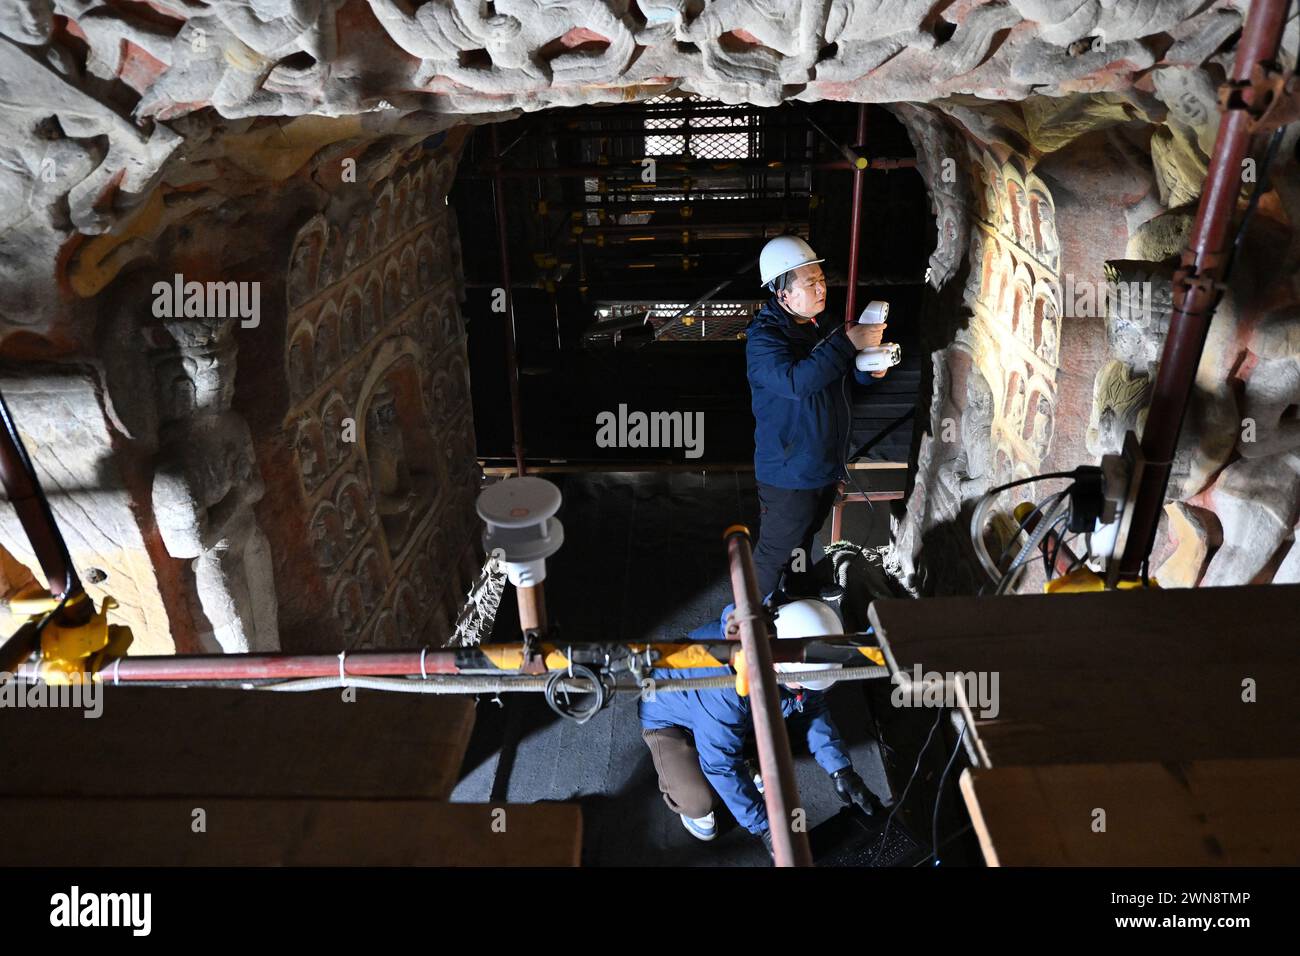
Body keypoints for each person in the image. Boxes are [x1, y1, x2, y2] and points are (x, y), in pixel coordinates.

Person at [637, 598, 883, 852]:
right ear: (775, 663)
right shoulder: (726, 687)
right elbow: (720, 764)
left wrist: (840, 770)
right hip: (671, 722)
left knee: (781, 723)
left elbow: (810, 706)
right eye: (801, 681)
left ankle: (744, 755)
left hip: (733, 708)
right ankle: (688, 788)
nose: (804, 687)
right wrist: (765, 826)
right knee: (699, 801)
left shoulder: (791, 642)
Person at [746, 235, 891, 600]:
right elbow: (797, 382)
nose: (821, 287)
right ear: (782, 294)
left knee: (806, 536)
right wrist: (846, 343)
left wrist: (866, 370)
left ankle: (797, 591)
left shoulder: (819, 324)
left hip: (821, 463)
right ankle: (741, 625)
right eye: (809, 283)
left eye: (821, 279)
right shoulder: (764, 340)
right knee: (774, 552)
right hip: (789, 471)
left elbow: (835, 378)